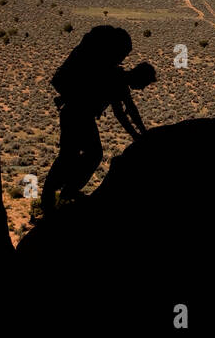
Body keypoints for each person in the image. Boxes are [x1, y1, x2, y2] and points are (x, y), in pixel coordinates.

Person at [40, 26, 156, 211]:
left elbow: (130, 109)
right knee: (87, 155)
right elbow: (122, 113)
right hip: (78, 114)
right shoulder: (116, 76)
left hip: (76, 114)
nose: (142, 88)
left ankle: (57, 197)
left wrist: (142, 133)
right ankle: (62, 195)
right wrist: (139, 135)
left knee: (72, 155)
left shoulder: (116, 76)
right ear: (139, 78)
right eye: (144, 84)